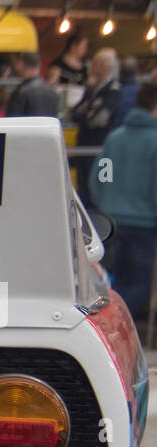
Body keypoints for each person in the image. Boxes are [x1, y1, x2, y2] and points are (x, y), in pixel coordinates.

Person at [91, 82, 157, 326]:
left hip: (112, 220)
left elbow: (100, 175)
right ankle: (118, 326)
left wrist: (108, 197)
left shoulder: (115, 138)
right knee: (138, 285)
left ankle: (106, 323)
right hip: (144, 222)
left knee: (109, 281)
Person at [71, 49, 123, 206]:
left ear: (102, 66)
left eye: (94, 63)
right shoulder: (91, 90)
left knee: (102, 187)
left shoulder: (113, 91)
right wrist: (86, 115)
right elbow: (74, 113)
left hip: (102, 149)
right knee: (83, 187)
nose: (91, 67)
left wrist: (85, 115)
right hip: (84, 146)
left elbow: (99, 118)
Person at [6, 52, 60, 117]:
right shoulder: (52, 92)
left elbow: (11, 121)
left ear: (21, 64)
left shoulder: (21, 92)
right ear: (39, 65)